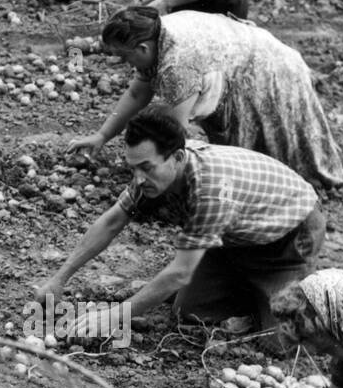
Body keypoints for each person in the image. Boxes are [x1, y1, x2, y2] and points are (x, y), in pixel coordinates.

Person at [37, 109, 326, 332]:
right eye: (133, 168)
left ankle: (281, 290)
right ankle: (249, 288)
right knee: (189, 312)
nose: (138, 179)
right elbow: (112, 222)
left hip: (287, 239)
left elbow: (179, 273)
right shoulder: (151, 175)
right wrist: (59, 278)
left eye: (147, 168)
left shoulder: (211, 189)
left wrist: (116, 316)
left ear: (176, 157)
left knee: (284, 342)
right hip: (233, 239)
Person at [68, 5, 343, 191]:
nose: (123, 62)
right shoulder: (154, 35)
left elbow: (178, 132)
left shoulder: (177, 63)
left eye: (124, 55)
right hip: (237, 60)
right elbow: (137, 92)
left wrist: (165, 180)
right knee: (239, 147)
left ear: (141, 48)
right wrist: (102, 136)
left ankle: (318, 179)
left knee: (282, 144)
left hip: (271, 68)